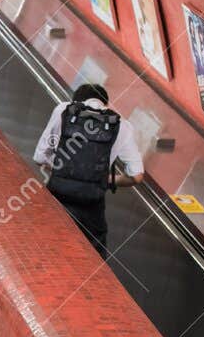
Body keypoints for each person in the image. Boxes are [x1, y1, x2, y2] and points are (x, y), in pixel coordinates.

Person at [32, 83, 145, 256]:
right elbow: (136, 176)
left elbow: (40, 157)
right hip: (91, 203)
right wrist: (104, 179)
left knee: (43, 242)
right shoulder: (122, 125)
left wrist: (64, 169)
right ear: (105, 104)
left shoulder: (63, 110)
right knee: (94, 253)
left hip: (57, 194)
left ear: (76, 101)